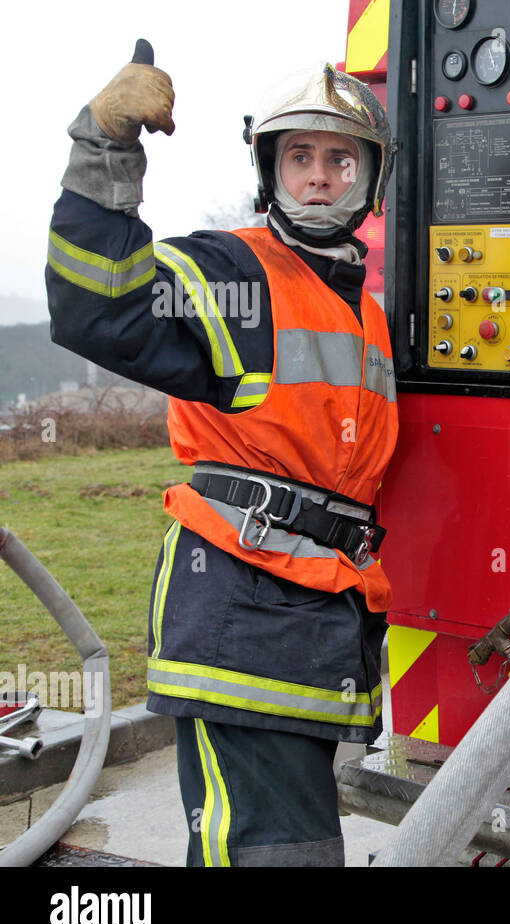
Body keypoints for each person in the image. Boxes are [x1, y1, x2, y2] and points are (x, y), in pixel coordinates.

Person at [46, 49, 399, 866]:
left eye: (339, 159)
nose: (317, 177)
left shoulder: (365, 314)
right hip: (241, 633)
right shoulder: (236, 273)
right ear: (270, 173)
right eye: (298, 158)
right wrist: (106, 147)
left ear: (371, 180)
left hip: (317, 640)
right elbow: (101, 307)